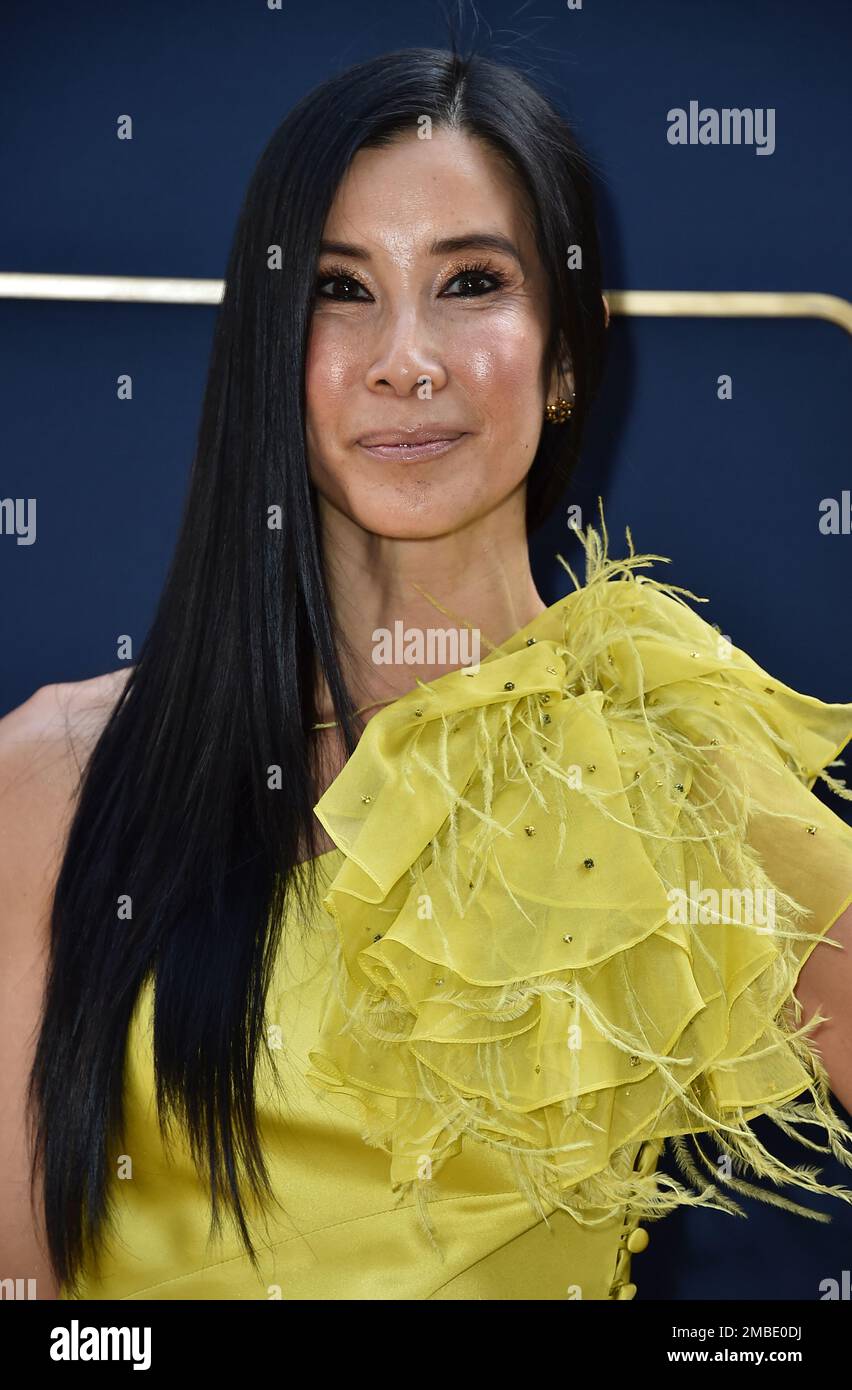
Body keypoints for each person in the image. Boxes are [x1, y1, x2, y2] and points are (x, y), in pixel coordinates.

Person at [2, 44, 852, 1303]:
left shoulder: (674, 761)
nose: (409, 357)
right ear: (270, 353)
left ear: (566, 357)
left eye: (470, 281)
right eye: (343, 289)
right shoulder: (51, 777)